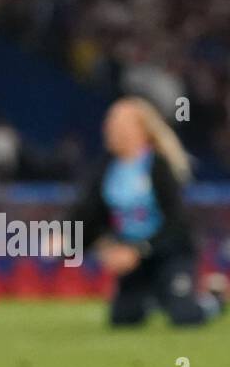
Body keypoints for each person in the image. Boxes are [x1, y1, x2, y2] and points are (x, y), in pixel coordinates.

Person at [74, 96, 223, 327]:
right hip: (135, 259)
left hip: (170, 253)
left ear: (140, 130)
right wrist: (70, 238)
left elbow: (177, 223)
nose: (110, 129)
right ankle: (157, 296)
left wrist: (139, 249)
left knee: (185, 316)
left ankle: (214, 299)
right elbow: (88, 214)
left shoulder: (159, 166)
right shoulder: (106, 168)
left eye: (118, 124)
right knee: (123, 319)